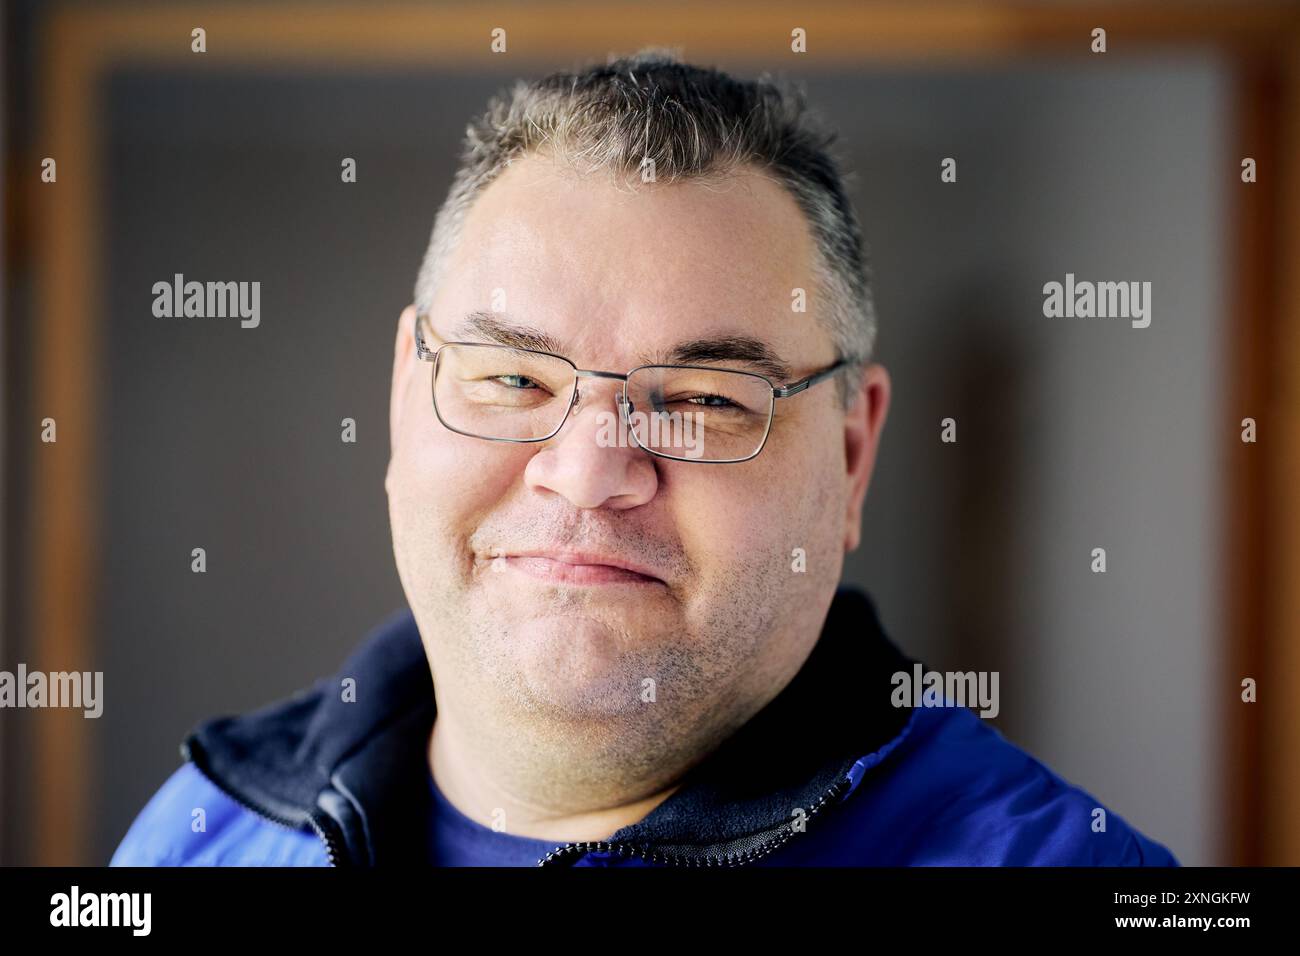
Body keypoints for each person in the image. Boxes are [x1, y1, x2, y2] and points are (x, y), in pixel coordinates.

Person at [111, 49, 1177, 867]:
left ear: (850, 457)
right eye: (513, 378)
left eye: (707, 399)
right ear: (405, 392)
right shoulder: (197, 831)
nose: (586, 470)